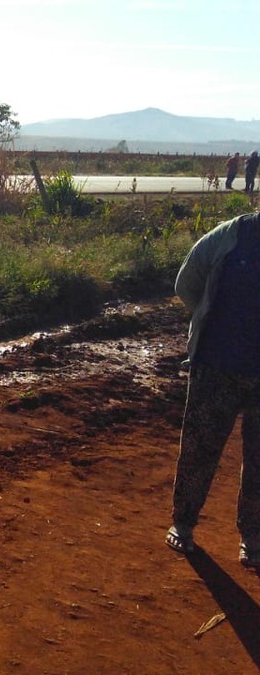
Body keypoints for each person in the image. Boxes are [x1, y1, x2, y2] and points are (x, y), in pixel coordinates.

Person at [166, 211, 260, 570]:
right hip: (216, 365)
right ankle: (183, 522)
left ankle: (253, 537)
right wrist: (209, 317)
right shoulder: (230, 236)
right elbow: (187, 283)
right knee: (199, 448)